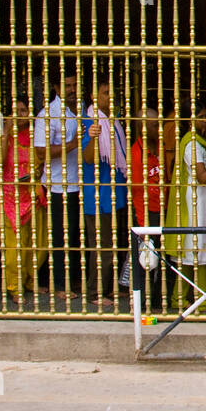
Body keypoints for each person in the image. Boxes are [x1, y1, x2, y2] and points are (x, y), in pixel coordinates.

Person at [164, 99, 206, 312]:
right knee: (198, 253)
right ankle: (200, 300)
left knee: (193, 254)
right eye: (201, 117)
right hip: (194, 206)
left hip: (200, 203)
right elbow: (202, 177)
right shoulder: (191, 144)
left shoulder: (200, 142)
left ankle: (182, 299)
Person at [80, 80, 129, 307]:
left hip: (115, 193)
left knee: (113, 245)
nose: (111, 96)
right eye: (105, 92)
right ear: (93, 95)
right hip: (98, 196)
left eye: (113, 92)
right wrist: (92, 135)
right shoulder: (91, 121)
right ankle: (94, 293)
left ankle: (108, 289)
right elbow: (88, 158)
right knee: (102, 247)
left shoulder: (113, 122)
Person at [33, 70, 81, 301]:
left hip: (77, 184)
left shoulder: (76, 111)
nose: (72, 90)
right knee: (61, 238)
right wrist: (73, 144)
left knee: (74, 237)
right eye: (67, 85)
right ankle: (59, 285)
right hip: (57, 186)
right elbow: (41, 152)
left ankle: (71, 281)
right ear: (56, 87)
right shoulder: (48, 115)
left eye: (74, 85)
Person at [0, 93, 48, 303]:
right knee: (14, 246)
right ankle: (14, 286)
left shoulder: (36, 135)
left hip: (33, 194)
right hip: (11, 198)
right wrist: (6, 130)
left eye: (23, 111)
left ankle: (29, 280)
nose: (19, 115)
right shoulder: (6, 137)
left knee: (37, 244)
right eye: (14, 112)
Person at [129, 108, 165, 313]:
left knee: (159, 258)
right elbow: (137, 190)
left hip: (164, 209)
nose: (158, 128)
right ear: (143, 128)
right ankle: (141, 303)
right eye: (154, 125)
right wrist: (142, 224)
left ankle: (157, 300)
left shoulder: (160, 145)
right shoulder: (137, 153)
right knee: (144, 259)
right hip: (146, 212)